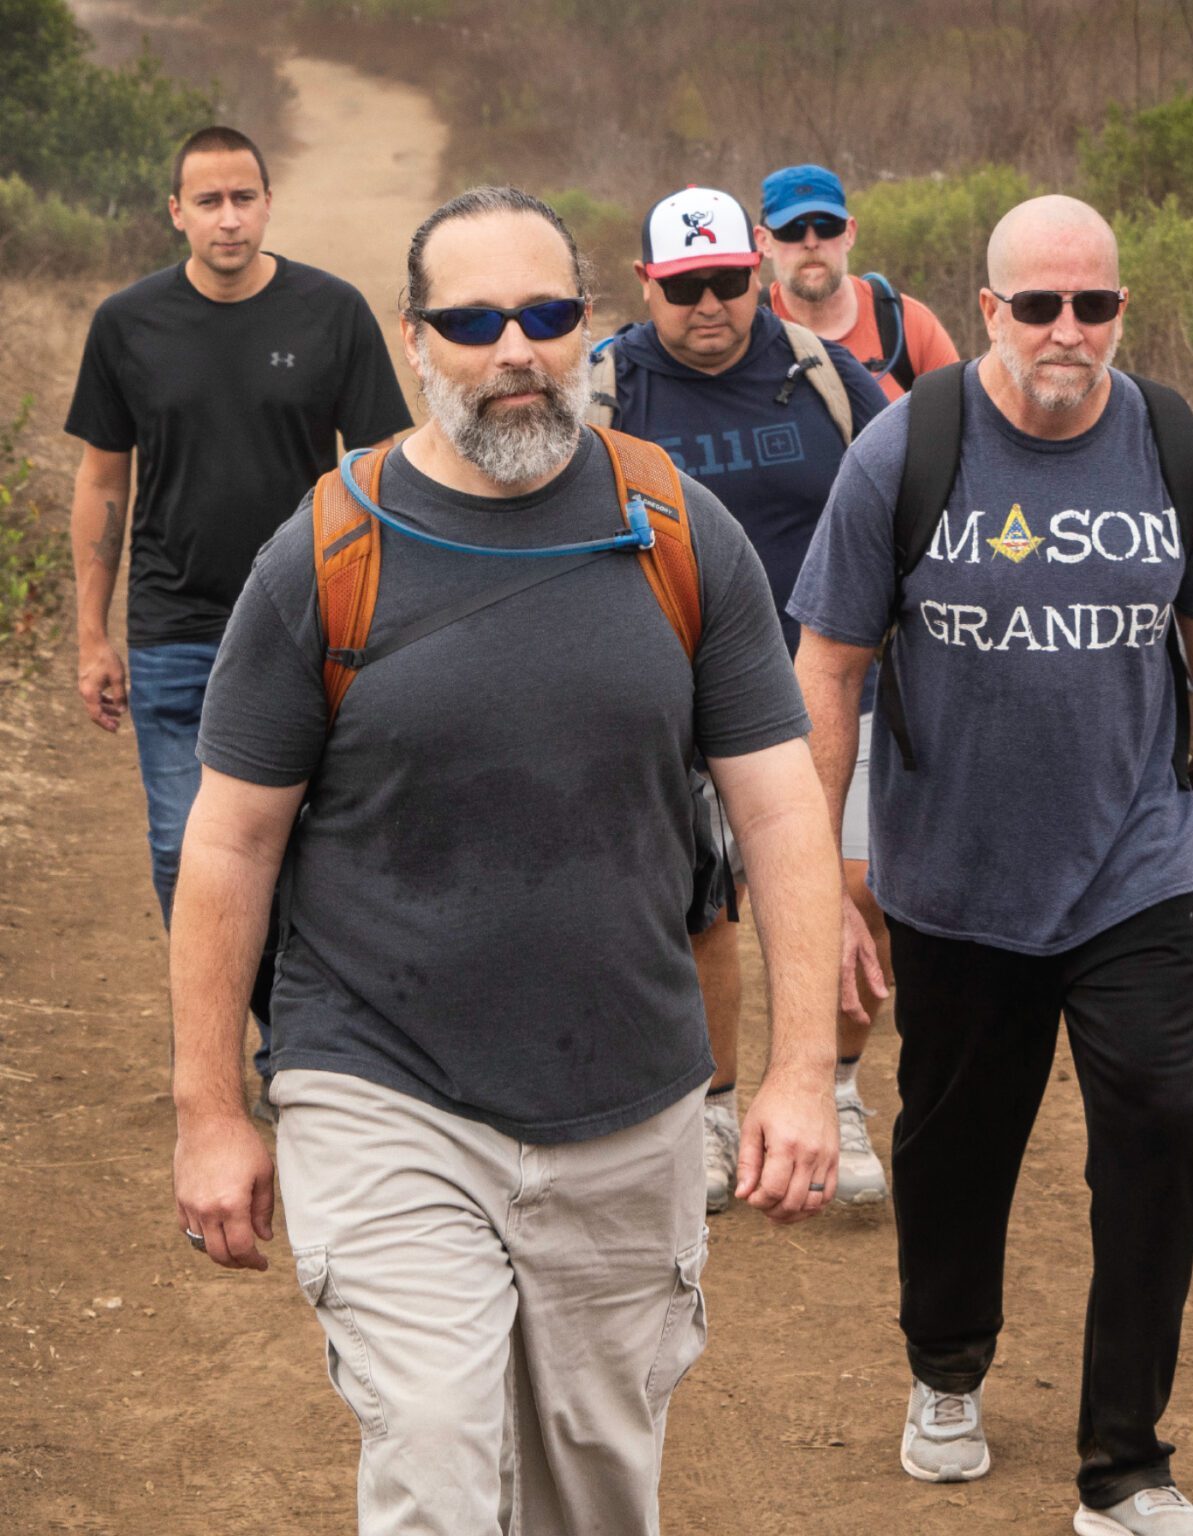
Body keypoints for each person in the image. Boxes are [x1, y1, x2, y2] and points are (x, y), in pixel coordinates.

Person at [170, 185, 842, 1535]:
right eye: (474, 322)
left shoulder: (676, 533)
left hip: (629, 1102)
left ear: (588, 325)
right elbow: (233, 842)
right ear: (416, 340)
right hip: (382, 1087)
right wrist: (209, 1112)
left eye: (543, 315)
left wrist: (801, 1073)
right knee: (433, 1455)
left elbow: (779, 817)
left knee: (595, 1484)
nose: (514, 351)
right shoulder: (327, 553)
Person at [789, 194, 1193, 1535]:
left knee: (1157, 1140)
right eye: (1037, 305)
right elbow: (830, 671)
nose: (1066, 330)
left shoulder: (1172, 446)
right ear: (989, 312)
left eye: (1092, 304)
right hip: (952, 882)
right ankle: (946, 1369)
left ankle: (1124, 1467)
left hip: (1134, 869)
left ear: (1120, 309)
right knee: (958, 1150)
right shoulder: (906, 455)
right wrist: (818, 888)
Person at [65, 125, 411, 1106]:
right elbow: (102, 481)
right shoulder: (126, 323)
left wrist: (398, 611)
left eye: (243, 198)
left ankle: (301, 1036)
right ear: (175, 210)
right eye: (207, 201)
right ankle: (246, 1039)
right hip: (173, 623)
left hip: (313, 623)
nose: (227, 217)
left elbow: (384, 470)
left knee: (315, 841)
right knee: (186, 847)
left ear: (267, 203)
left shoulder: (332, 312)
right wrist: (93, 635)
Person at [588, 184, 889, 1211]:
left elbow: (903, 492)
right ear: (646, 286)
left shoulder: (822, 376)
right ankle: (714, 1111)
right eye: (684, 288)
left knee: (855, 892)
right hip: (668, 689)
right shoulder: (609, 390)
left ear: (758, 274)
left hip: (827, 687)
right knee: (700, 910)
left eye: (726, 284)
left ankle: (837, 1091)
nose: (708, 306)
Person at [756, 162, 960, 402]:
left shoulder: (907, 326)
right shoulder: (748, 329)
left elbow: (958, 425)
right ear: (763, 241)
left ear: (849, 233)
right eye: (791, 230)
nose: (811, 242)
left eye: (826, 226)